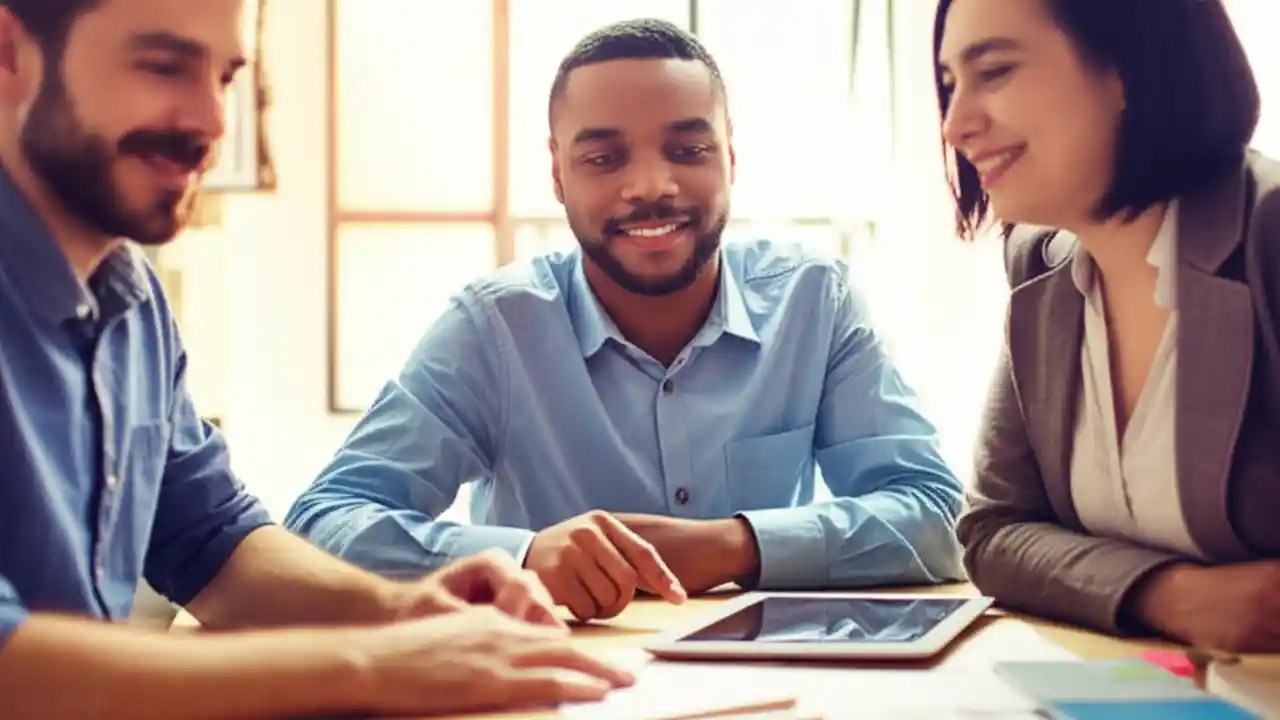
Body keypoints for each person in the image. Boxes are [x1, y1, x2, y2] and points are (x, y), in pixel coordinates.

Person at [0, 1, 633, 717]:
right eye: (163, 66)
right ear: (10, 53)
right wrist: (367, 665)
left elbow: (214, 544)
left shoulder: (134, 299)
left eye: (227, 76)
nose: (213, 120)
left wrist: (402, 613)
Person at [286, 18, 965, 623]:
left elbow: (937, 514)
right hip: (547, 683)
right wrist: (521, 557)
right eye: (604, 158)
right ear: (557, 174)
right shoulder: (493, 328)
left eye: (687, 150)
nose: (650, 186)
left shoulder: (815, 301)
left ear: (731, 156)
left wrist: (734, 544)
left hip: (777, 683)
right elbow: (323, 523)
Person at [936, 0, 1280, 652]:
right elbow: (994, 530)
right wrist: (1171, 595)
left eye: (996, 71)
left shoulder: (1269, 237)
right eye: (951, 84)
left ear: (1130, 65)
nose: (955, 125)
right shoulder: (1039, 263)